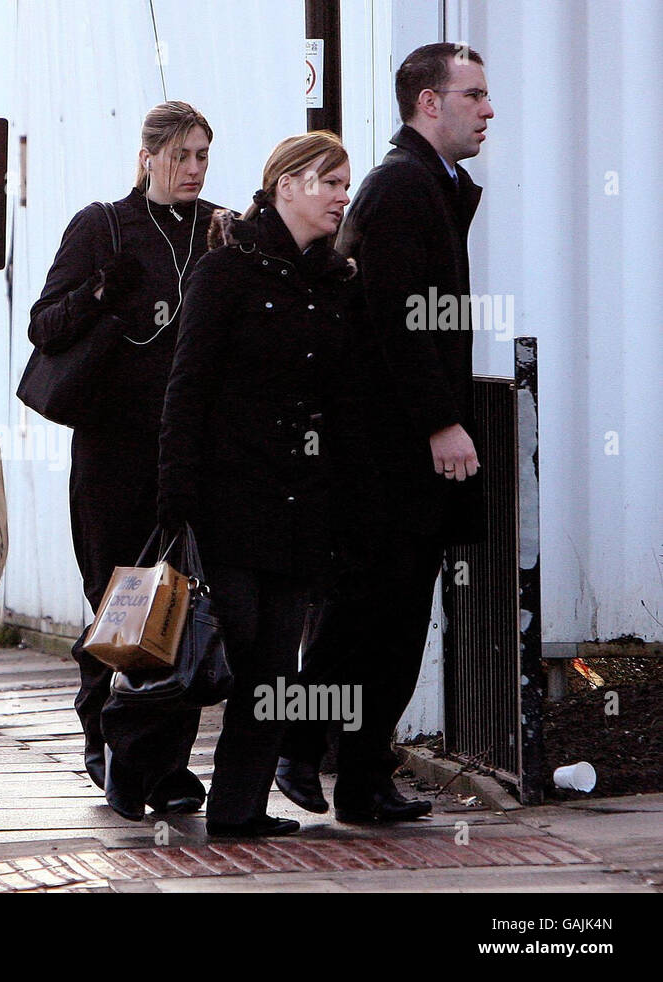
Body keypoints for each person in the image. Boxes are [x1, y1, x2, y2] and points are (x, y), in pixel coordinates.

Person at [276, 43, 492, 823]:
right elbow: (400, 323)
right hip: (388, 456)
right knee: (372, 614)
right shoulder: (401, 187)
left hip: (395, 452)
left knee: (393, 620)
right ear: (429, 104)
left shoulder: (429, 186)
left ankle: (362, 777)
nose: (488, 109)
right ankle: (303, 747)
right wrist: (442, 422)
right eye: (473, 95)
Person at [159, 130, 357, 837]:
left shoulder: (337, 281)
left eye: (345, 183)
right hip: (227, 498)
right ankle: (135, 759)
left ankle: (238, 809)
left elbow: (344, 402)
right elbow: (186, 389)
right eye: (329, 182)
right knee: (217, 651)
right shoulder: (226, 272)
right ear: (287, 187)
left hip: (303, 504)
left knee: (275, 667)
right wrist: (175, 496)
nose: (342, 196)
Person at [26, 101, 218, 817]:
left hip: (188, 451)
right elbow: (43, 324)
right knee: (120, 603)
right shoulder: (103, 224)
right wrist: (102, 290)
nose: (194, 169)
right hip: (112, 449)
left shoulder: (217, 229)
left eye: (203, 155)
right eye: (181, 155)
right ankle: (102, 725)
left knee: (181, 604)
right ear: (147, 158)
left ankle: (163, 768)